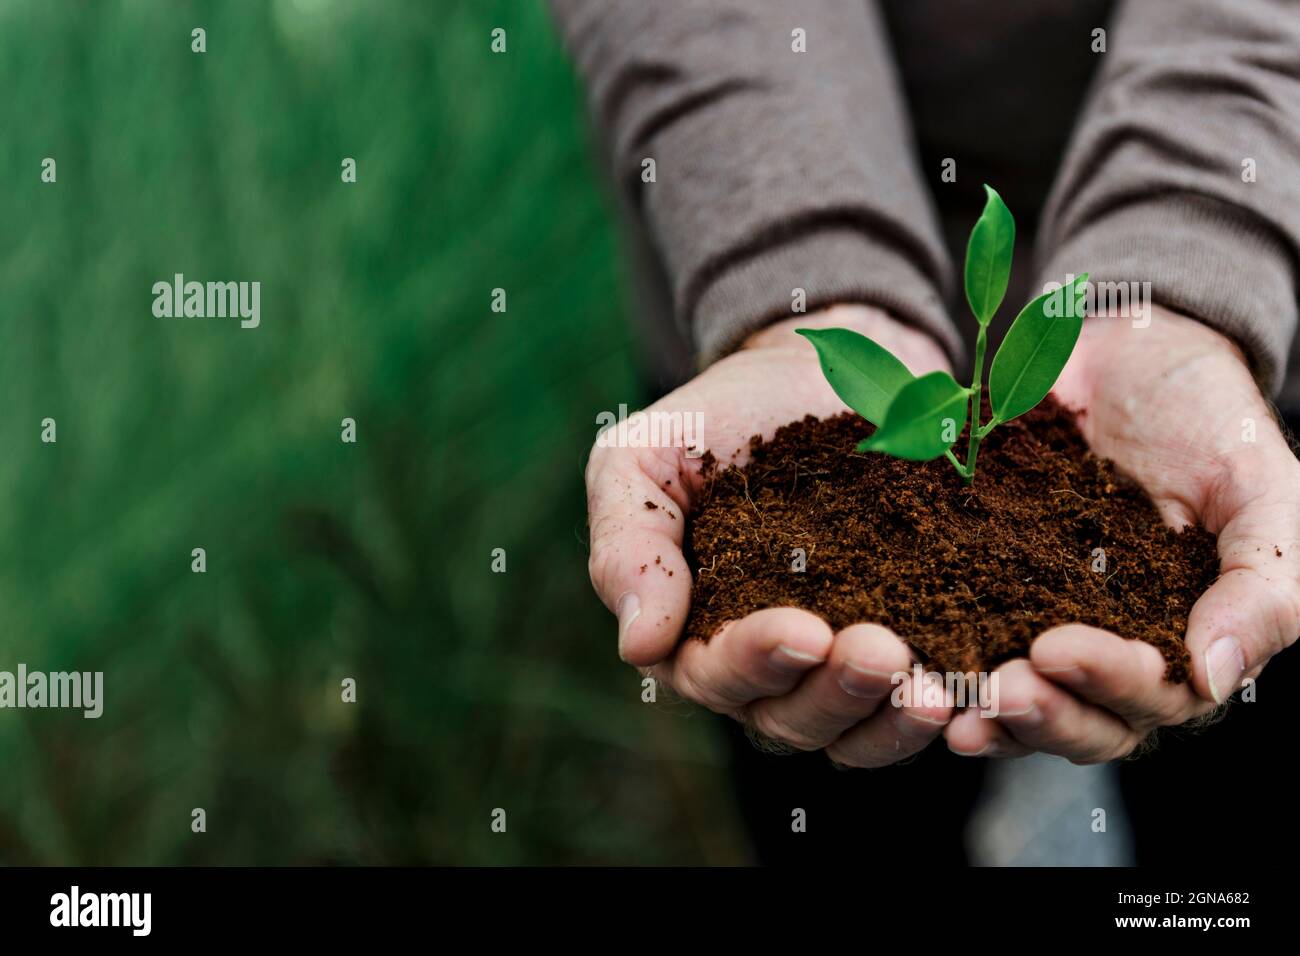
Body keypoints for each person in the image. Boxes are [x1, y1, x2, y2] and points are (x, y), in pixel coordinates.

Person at [552, 0, 1300, 864]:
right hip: (740, 248)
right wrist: (796, 265)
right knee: (848, 803)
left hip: (1248, 260)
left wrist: (1189, 264)